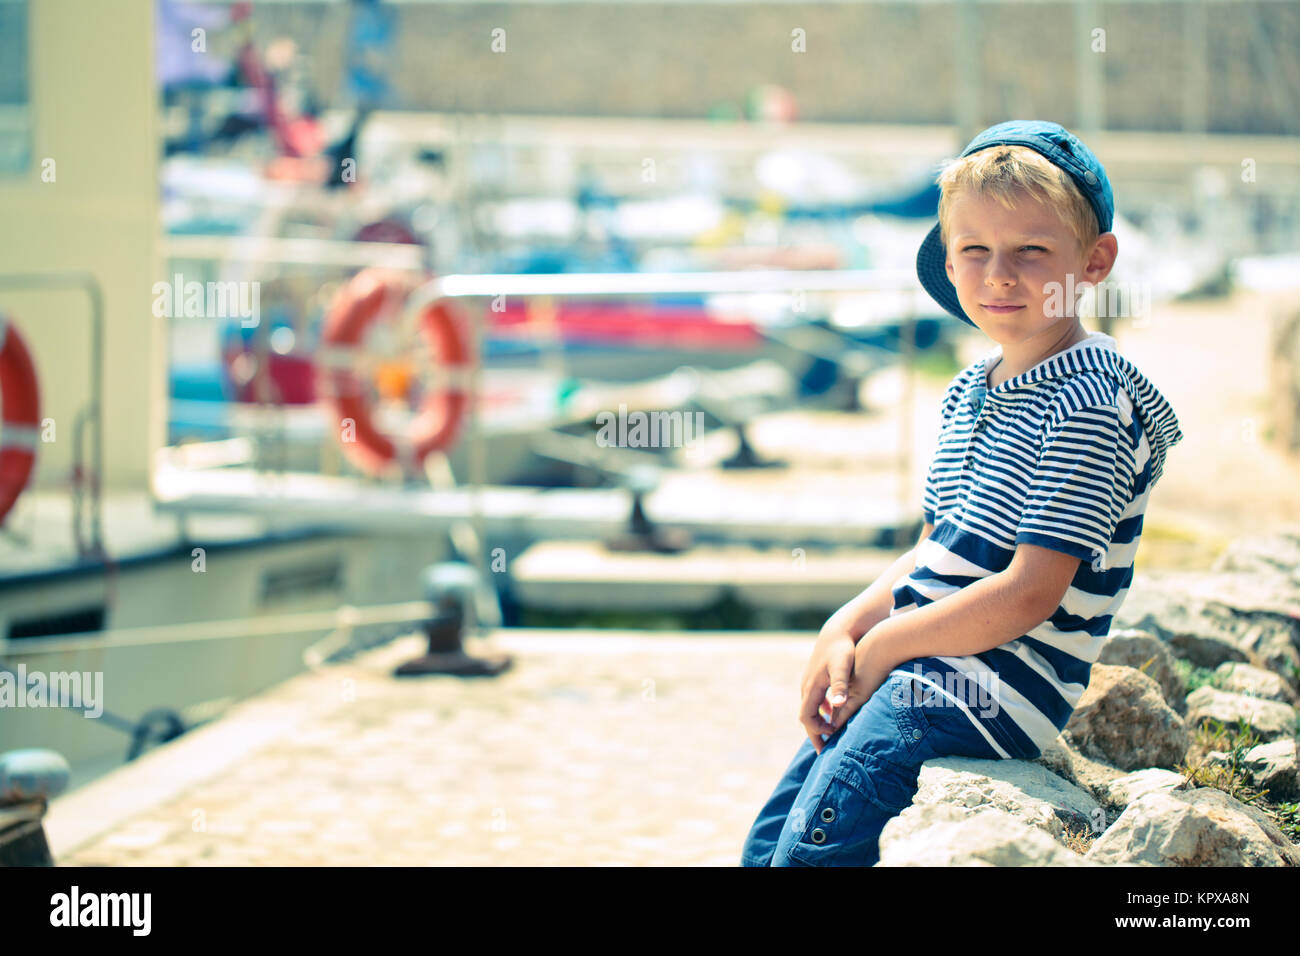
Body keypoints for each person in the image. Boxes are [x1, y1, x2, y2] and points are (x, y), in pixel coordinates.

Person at [740, 120, 1185, 867]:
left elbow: (1026, 595)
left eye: (1031, 252)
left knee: (814, 853)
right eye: (975, 250)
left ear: (1094, 260)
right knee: (769, 840)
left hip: (994, 687)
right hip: (923, 666)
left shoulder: (1091, 402)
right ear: (949, 264)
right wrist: (847, 624)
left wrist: (884, 648)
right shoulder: (968, 392)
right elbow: (936, 549)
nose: (999, 274)